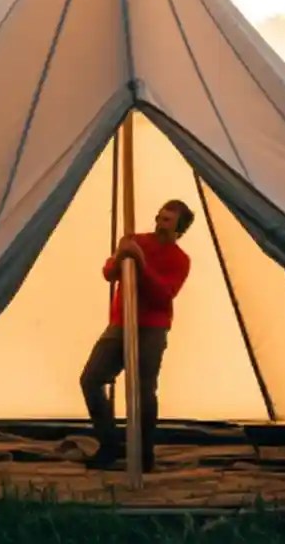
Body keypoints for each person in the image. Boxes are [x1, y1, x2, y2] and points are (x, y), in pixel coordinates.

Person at [79, 199, 194, 472]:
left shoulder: (180, 260)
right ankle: (110, 444)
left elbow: (164, 295)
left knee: (143, 390)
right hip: (120, 324)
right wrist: (122, 256)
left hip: (152, 327)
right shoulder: (136, 241)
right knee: (91, 379)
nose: (159, 223)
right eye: (159, 217)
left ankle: (143, 454)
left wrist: (141, 264)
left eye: (167, 220)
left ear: (179, 227)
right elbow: (109, 273)